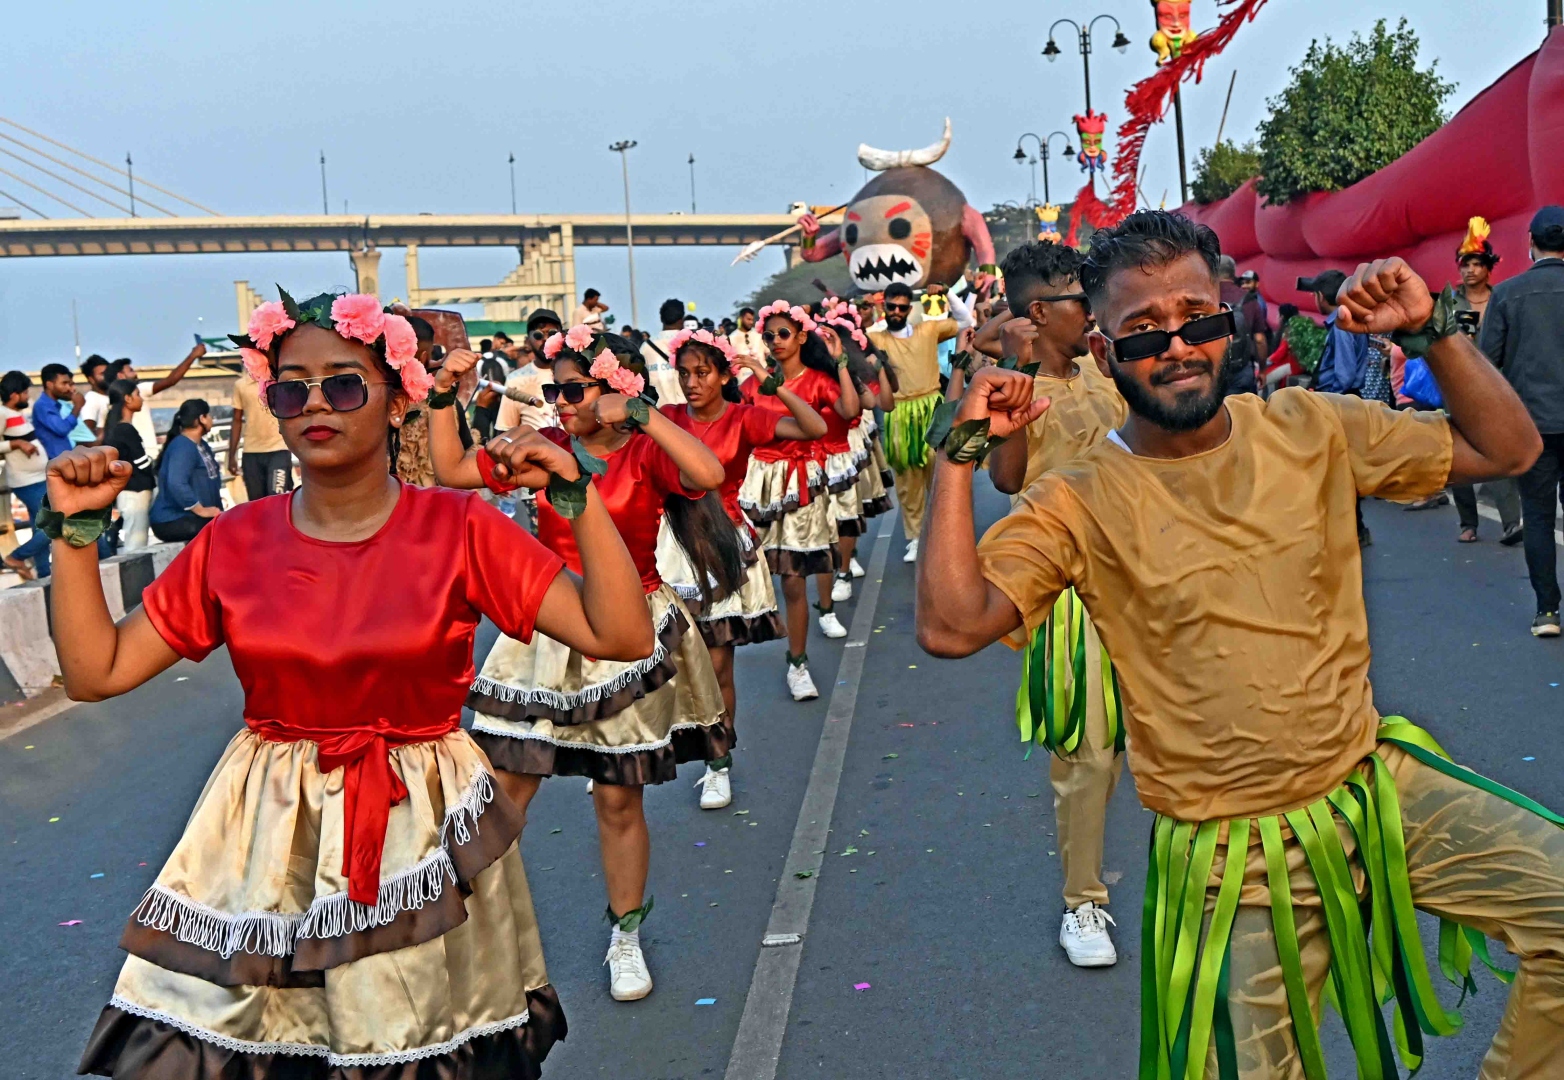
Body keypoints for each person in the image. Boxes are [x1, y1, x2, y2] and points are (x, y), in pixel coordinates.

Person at [918, 210, 1559, 1078]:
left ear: (1227, 327)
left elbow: (1510, 446)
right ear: (1107, 356)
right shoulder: (1078, 497)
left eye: (1198, 319)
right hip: (1235, 871)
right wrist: (958, 453)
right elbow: (953, 624)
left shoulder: (1310, 425)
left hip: (1375, 796)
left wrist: (1432, 328)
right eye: (1142, 331)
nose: (1177, 346)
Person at [57, 289, 631, 1077]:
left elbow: (619, 633)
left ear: (397, 402)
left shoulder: (460, 527)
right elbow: (96, 673)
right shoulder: (234, 539)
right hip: (266, 833)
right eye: (292, 388)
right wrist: (76, 536)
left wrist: (575, 497)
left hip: (419, 824)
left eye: (345, 384)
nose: (315, 404)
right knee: (265, 1052)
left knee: (410, 1045)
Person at [430, 326, 730, 1003]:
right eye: (553, 390)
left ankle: (625, 936)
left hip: (628, 631)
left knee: (619, 799)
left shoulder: (644, 454)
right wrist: (445, 390)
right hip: (548, 626)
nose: (560, 403)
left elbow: (708, 475)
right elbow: (452, 471)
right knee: (504, 793)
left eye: (574, 390)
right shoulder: (550, 448)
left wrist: (645, 414)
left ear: (614, 389)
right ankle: (465, 934)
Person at [982, 241, 1129, 967]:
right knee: (1090, 754)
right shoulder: (1015, 382)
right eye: (1081, 299)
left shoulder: (1101, 366)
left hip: (1148, 575)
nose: (1093, 308)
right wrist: (1008, 389)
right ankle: (1085, 905)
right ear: (1040, 311)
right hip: (1072, 592)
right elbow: (1006, 479)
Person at [658, 328, 827, 807]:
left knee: (716, 666)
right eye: (684, 373)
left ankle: (719, 763)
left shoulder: (745, 418)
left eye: (702, 372)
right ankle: (630, 748)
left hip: (722, 544)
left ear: (723, 375)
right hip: (667, 548)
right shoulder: (666, 418)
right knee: (657, 663)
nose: (691, 383)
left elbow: (814, 428)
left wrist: (769, 383)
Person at [737, 302, 859, 700]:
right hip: (757, 484)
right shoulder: (752, 383)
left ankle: (798, 664)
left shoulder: (818, 380)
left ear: (802, 337)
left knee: (792, 581)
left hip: (801, 482)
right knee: (744, 575)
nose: (774, 342)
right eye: (768, 335)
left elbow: (850, 411)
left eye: (783, 334)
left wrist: (841, 364)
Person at [1481, 204, 1564, 637]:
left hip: (1532, 426)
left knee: (1537, 516)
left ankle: (1547, 611)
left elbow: (1485, 367)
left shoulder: (1507, 294)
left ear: (1531, 244)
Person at [869, 280, 971, 562]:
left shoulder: (929, 329)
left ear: (908, 307)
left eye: (903, 307)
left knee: (940, 473)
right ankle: (915, 538)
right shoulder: (878, 339)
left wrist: (947, 293)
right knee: (907, 479)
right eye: (892, 306)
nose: (897, 311)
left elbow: (966, 320)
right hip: (899, 414)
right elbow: (850, 340)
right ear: (885, 306)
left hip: (931, 407)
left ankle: (942, 535)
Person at [1449, 217, 1523, 545]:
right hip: (1458, 386)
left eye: (1476, 264)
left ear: (1488, 267)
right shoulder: (1450, 302)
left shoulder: (1502, 299)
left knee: (1500, 450)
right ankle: (1468, 522)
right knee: (1461, 455)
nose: (1469, 271)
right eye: (1465, 264)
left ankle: (1511, 522)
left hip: (1498, 386)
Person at [105, 342, 207, 449]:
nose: (136, 374)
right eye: (130, 371)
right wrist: (193, 355)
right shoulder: (139, 390)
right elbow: (170, 380)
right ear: (121, 376)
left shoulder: (108, 402)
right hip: (144, 454)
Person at [148, 399, 222, 543]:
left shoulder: (201, 445)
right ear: (201, 418)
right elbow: (176, 483)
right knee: (221, 530)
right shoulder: (182, 447)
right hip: (172, 519)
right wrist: (201, 510)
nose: (211, 419)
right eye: (209, 415)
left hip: (192, 517)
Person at [1, 371, 49, 580]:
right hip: (27, 482)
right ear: (14, 395)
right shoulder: (2, 414)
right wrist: (17, 443)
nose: (28, 396)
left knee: (39, 526)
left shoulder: (17, 414)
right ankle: (16, 557)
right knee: (54, 524)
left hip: (38, 478)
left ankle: (44, 573)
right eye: (25, 392)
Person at [99, 380, 157, 551]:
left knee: (134, 538)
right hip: (136, 492)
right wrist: (155, 463)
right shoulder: (126, 430)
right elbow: (142, 463)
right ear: (127, 399)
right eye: (137, 394)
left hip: (127, 491)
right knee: (136, 544)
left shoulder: (115, 429)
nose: (141, 399)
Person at [226, 368, 293, 502]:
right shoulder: (241, 385)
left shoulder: (278, 381)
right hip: (251, 452)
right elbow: (237, 420)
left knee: (277, 499)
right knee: (257, 504)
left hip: (278, 450)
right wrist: (232, 455)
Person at [1217, 255, 1260, 395]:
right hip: (1242, 370)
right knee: (1241, 413)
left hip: (1212, 372)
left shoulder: (1206, 297)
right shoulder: (1249, 299)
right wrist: (1263, 369)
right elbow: (1259, 339)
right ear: (1233, 272)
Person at [640, 298, 688, 405]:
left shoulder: (646, 347)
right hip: (688, 413)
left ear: (661, 319)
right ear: (682, 319)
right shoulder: (690, 343)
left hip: (658, 415)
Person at [31, 363, 83, 461]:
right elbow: (62, 429)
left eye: (69, 384)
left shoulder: (53, 405)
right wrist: (77, 406)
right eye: (64, 383)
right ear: (49, 385)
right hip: (54, 464)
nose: (68, 388)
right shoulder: (42, 406)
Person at [77, 355, 112, 437]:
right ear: (91, 379)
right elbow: (88, 433)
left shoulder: (113, 397)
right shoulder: (91, 399)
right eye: (103, 374)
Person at [728, 307, 767, 380]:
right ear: (741, 318)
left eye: (752, 320)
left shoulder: (759, 335)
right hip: (742, 379)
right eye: (748, 319)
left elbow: (767, 353)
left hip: (762, 377)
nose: (751, 322)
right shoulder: (732, 338)